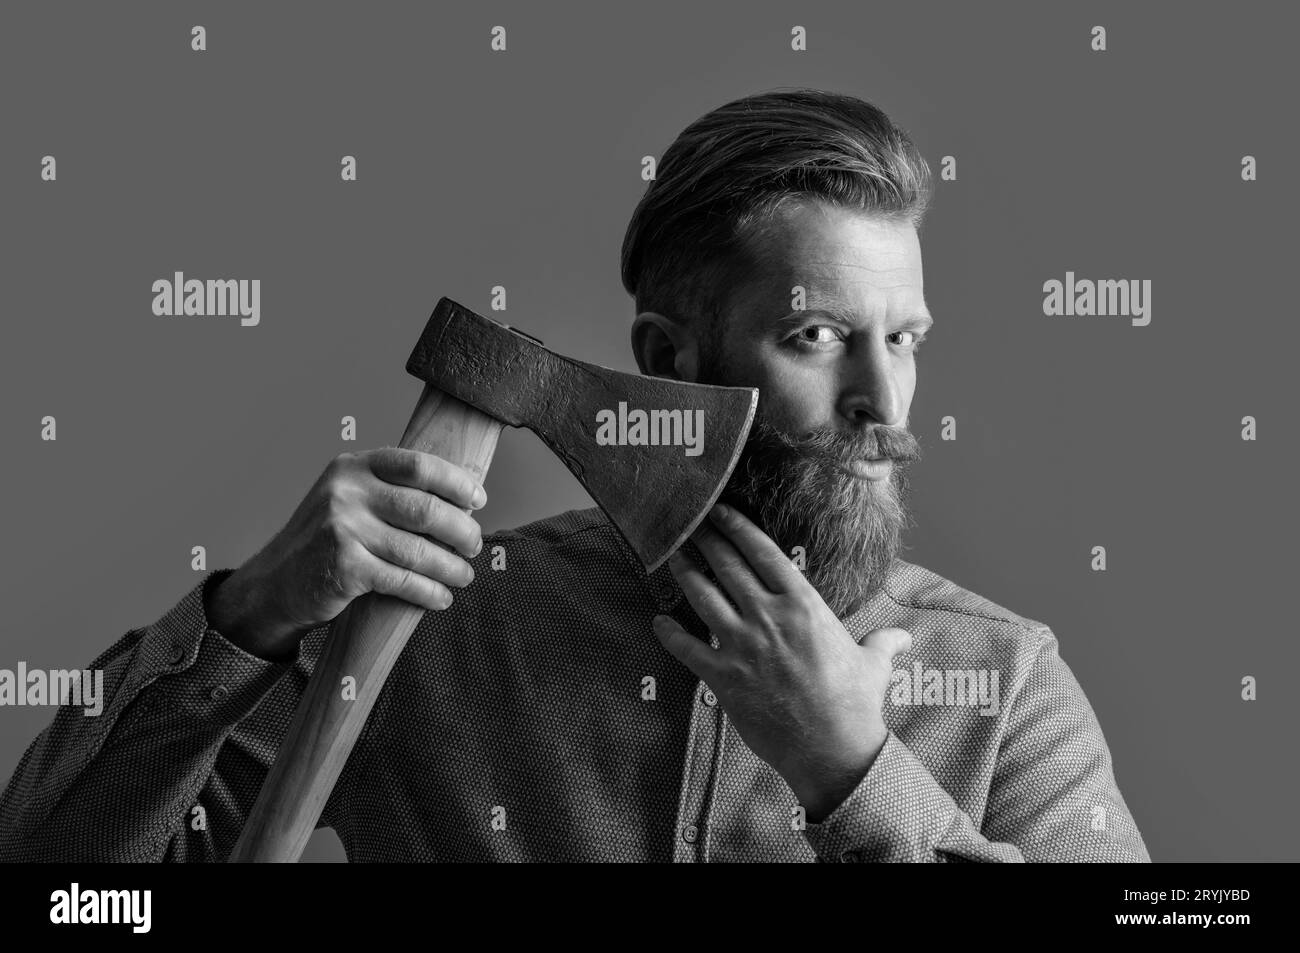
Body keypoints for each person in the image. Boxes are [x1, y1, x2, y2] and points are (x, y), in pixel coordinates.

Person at [0, 87, 1149, 862]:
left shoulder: (1001, 681)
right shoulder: (438, 627)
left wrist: (852, 771)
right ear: (666, 358)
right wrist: (243, 624)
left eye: (903, 339)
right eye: (816, 337)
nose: (883, 404)